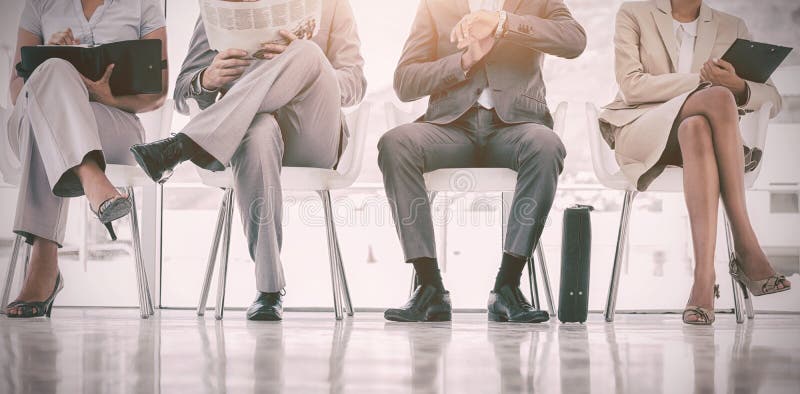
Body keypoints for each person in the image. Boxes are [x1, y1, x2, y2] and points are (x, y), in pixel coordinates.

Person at [130, 0, 366, 321]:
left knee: (307, 53)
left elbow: (355, 83)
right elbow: (184, 92)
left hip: (312, 131)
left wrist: (299, 68)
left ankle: (185, 145)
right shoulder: (221, 9)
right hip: (248, 128)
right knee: (256, 132)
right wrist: (207, 79)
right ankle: (268, 289)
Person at [379, 0, 586, 323]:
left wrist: (503, 22)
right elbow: (405, 82)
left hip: (515, 129)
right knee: (395, 143)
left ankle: (507, 286)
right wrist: (464, 60)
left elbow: (574, 41)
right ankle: (430, 286)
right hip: (451, 129)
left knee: (546, 144)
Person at [598, 0, 790, 325]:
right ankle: (746, 246)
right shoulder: (634, 13)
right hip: (643, 126)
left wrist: (739, 87)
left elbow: (773, 99)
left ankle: (703, 281)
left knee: (696, 127)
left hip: (701, 137)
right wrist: (707, 84)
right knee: (716, 97)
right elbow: (632, 85)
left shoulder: (733, 26)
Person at [4, 0, 168, 318]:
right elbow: (15, 91)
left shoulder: (143, 6)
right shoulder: (39, 6)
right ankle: (92, 176)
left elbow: (158, 91)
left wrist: (110, 97)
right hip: (33, 122)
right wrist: (44, 71)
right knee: (53, 73)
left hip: (113, 123)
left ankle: (43, 266)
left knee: (49, 120)